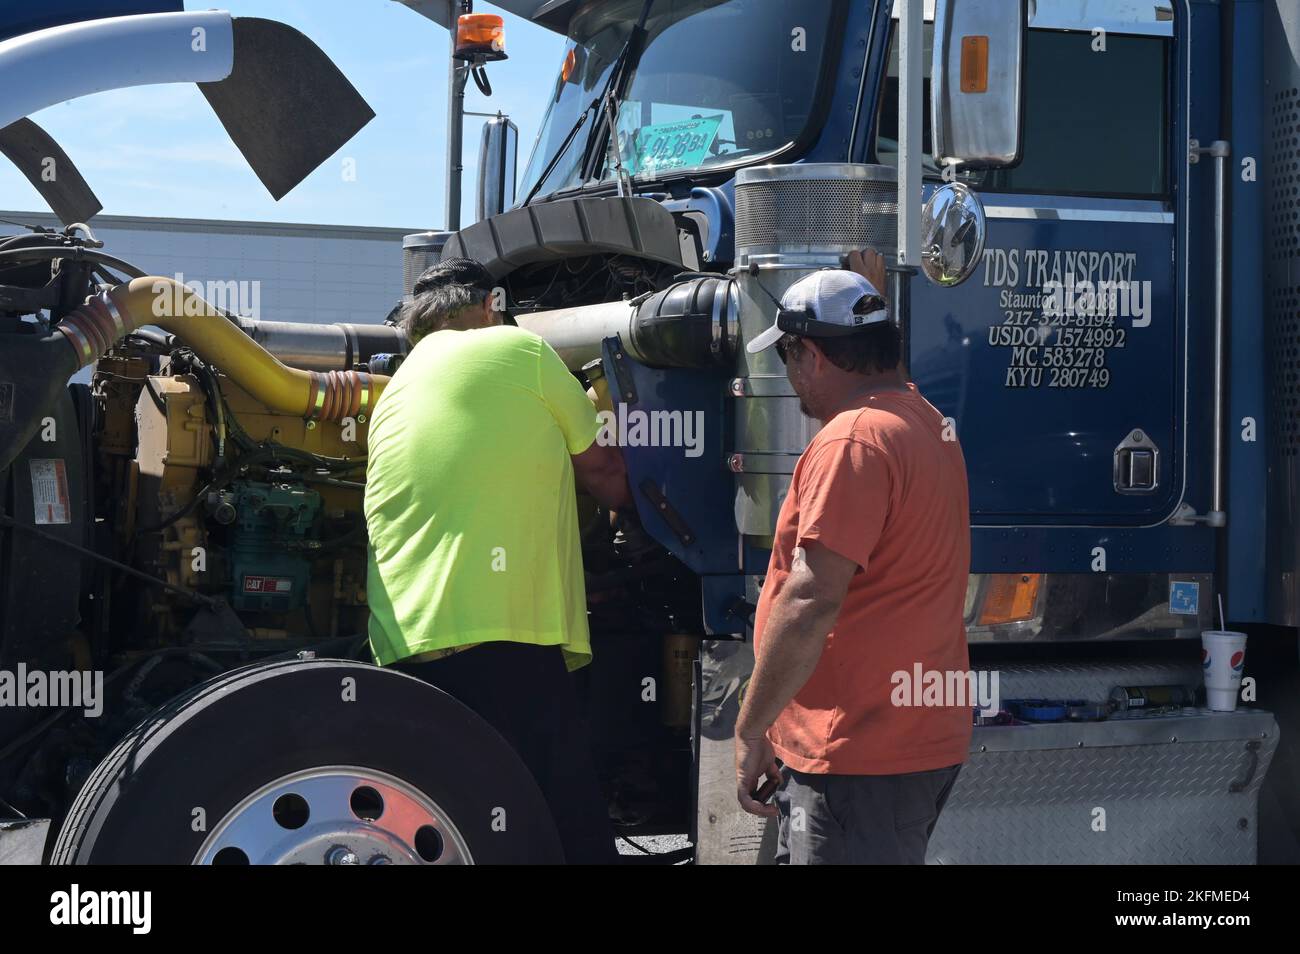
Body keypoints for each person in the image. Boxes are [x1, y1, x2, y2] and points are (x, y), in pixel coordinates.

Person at [365, 258, 631, 863]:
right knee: (568, 828)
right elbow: (607, 476)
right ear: (491, 305)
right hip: (502, 635)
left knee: (468, 823)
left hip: (406, 641)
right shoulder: (523, 352)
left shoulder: (395, 388)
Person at [733, 250, 972, 865]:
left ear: (811, 354)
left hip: (858, 752)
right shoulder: (922, 422)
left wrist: (750, 726)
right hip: (901, 745)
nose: (788, 376)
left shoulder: (852, 440)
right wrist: (870, 295)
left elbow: (810, 601)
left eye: (788, 356)